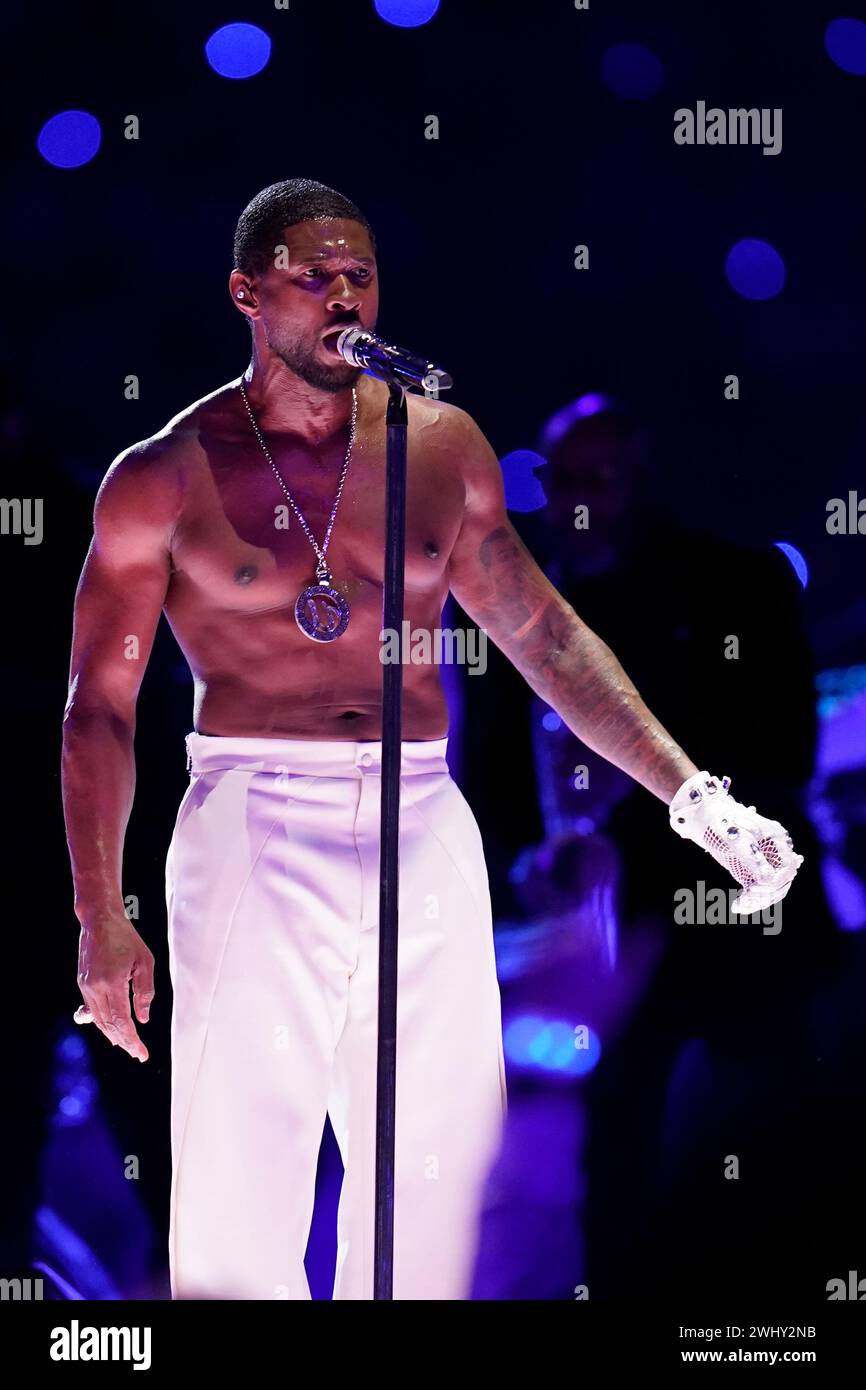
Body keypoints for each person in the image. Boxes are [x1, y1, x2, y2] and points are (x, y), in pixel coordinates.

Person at [60, 179, 801, 1301]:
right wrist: (101, 917)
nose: (344, 293)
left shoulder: (438, 447)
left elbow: (543, 636)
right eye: (315, 275)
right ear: (247, 293)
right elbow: (97, 709)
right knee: (240, 1173)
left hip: (419, 810)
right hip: (251, 809)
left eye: (359, 273)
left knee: (440, 1169)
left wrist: (695, 795)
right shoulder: (160, 474)